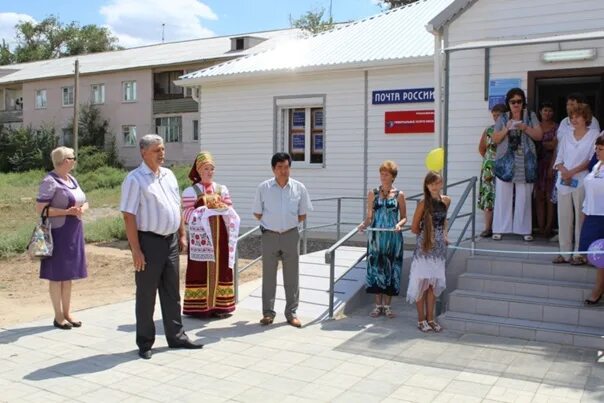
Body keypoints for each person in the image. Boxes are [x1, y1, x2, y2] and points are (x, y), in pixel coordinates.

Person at [120, 134, 202, 359]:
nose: (162, 154)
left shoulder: (169, 175)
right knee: (146, 294)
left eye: (163, 149)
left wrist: (182, 234)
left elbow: (176, 206)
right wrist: (136, 250)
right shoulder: (135, 179)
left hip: (171, 241)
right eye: (157, 150)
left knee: (172, 291)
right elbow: (129, 216)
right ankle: (145, 343)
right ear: (143, 152)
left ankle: (177, 336)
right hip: (149, 242)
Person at [253, 152, 313, 328]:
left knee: (291, 276)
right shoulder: (263, 188)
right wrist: (273, 223)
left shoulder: (299, 188)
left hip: (290, 235)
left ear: (290, 168)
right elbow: (257, 213)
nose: (283, 171)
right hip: (269, 235)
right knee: (269, 276)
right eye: (279, 167)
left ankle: (291, 313)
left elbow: (302, 215)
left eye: (286, 167)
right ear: (273, 169)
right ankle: (268, 313)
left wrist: (285, 223)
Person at [181, 151, 240, 318]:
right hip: (201, 239)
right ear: (199, 170)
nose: (209, 172)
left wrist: (223, 209)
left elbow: (230, 210)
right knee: (199, 269)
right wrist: (202, 212)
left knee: (222, 268)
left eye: (212, 169)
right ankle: (200, 307)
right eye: (206, 168)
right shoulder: (190, 191)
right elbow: (185, 214)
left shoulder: (222, 189)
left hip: (220, 238)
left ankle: (221, 306)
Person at [35, 146, 88, 330]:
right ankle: (58, 316)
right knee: (57, 276)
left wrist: (82, 209)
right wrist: (66, 211)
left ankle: (67, 312)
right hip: (57, 232)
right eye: (73, 158)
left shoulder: (71, 179)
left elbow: (84, 200)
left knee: (68, 275)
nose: (74, 160)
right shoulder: (50, 181)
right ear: (65, 161)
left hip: (74, 230)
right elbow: (40, 208)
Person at [492, 88, 543, 241]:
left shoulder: (531, 116)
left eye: (519, 101)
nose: (516, 104)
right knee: (502, 196)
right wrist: (507, 128)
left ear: (523, 102)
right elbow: (495, 138)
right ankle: (500, 228)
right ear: (508, 103)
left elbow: (539, 135)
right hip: (506, 162)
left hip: (525, 162)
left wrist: (524, 128)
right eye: (512, 101)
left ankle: (524, 230)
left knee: (525, 196)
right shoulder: (502, 118)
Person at [358, 160, 407, 318]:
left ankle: (387, 306)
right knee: (376, 268)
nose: (383, 177)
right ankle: (377, 305)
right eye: (381, 173)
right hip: (377, 238)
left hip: (393, 238)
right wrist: (363, 225)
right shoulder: (372, 193)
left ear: (393, 177)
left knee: (392, 268)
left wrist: (399, 224)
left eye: (386, 174)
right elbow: (369, 217)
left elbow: (405, 217)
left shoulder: (399, 195)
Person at [552, 105, 599, 265]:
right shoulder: (566, 135)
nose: (574, 119)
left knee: (581, 218)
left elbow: (591, 159)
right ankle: (564, 253)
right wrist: (563, 170)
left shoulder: (594, 135)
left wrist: (572, 172)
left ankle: (579, 254)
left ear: (586, 117)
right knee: (564, 218)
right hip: (564, 181)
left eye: (577, 116)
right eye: (572, 117)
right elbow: (559, 158)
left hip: (582, 181)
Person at [407, 171, 450, 333]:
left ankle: (431, 318)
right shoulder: (423, 203)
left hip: (438, 248)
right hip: (424, 248)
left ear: (442, 184)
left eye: (437, 183)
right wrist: (427, 235)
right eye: (431, 183)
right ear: (426, 185)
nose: (434, 186)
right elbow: (413, 227)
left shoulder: (446, 200)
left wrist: (444, 234)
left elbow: (444, 220)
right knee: (422, 284)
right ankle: (421, 319)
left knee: (433, 285)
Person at [581, 135, 604, 304]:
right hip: (592, 215)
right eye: (596, 148)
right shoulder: (596, 165)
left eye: (601, 149)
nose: (597, 151)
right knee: (595, 255)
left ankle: (598, 289)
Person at [477, 103, 506, 237]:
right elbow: (482, 148)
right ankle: (488, 228)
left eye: (498, 115)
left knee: (503, 197)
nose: (495, 118)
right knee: (489, 197)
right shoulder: (489, 130)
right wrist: (490, 160)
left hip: (505, 169)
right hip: (489, 169)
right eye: (494, 115)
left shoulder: (508, 129)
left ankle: (503, 227)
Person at [534, 101, 558, 238]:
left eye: (549, 110)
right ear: (540, 112)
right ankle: (540, 226)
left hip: (551, 163)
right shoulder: (535, 126)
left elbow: (555, 145)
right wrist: (546, 144)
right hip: (537, 164)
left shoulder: (557, 127)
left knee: (550, 197)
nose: (547, 113)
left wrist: (541, 144)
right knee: (539, 197)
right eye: (545, 110)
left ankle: (549, 227)